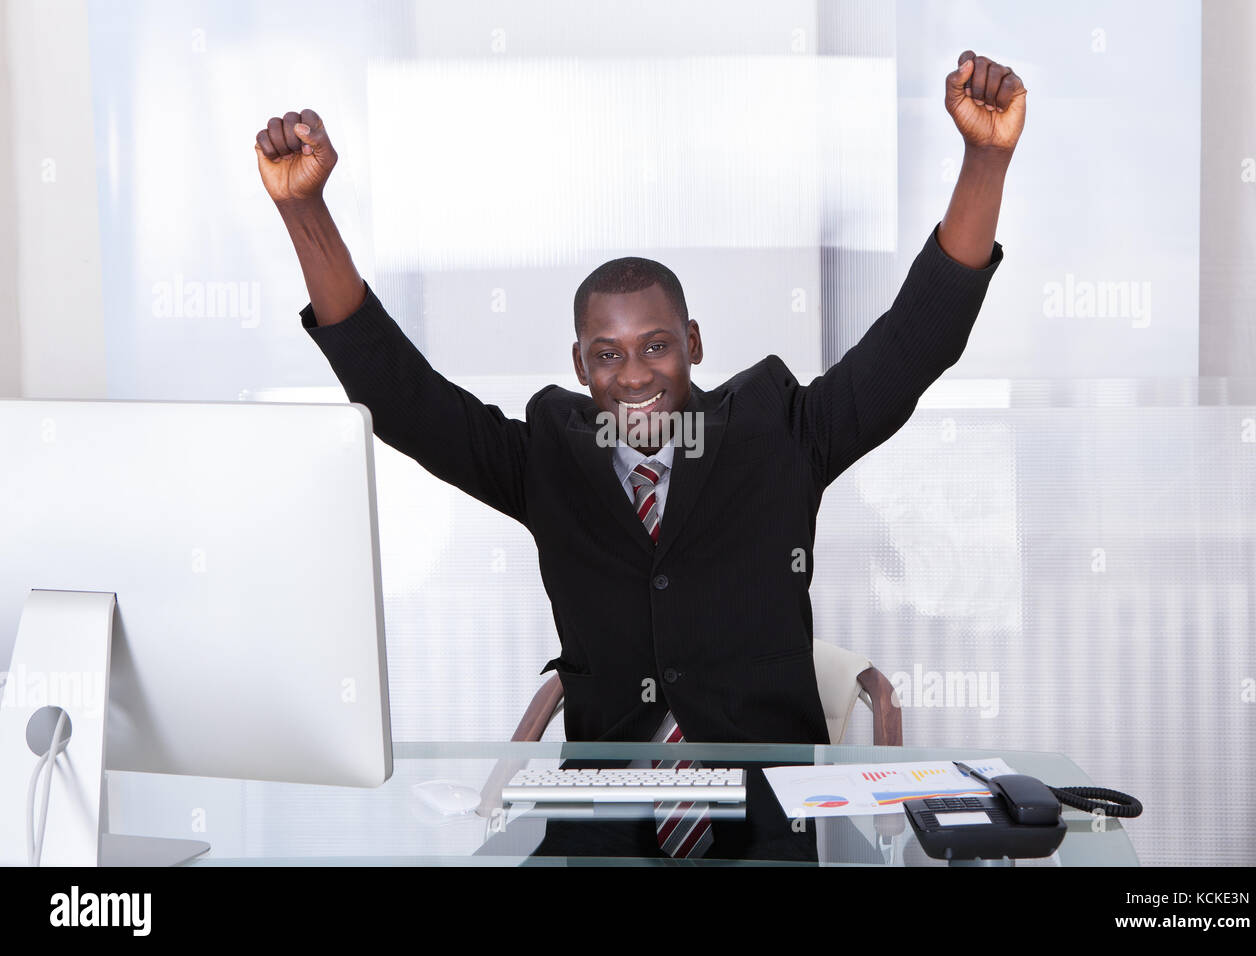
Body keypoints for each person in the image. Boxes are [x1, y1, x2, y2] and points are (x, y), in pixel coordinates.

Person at [253, 51, 1025, 862]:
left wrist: (985, 159)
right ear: (581, 366)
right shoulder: (545, 458)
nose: (635, 376)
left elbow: (916, 342)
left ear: (692, 343)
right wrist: (306, 210)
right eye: (608, 355)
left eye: (656, 346)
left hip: (769, 828)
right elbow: (400, 395)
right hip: (602, 829)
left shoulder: (779, 433)